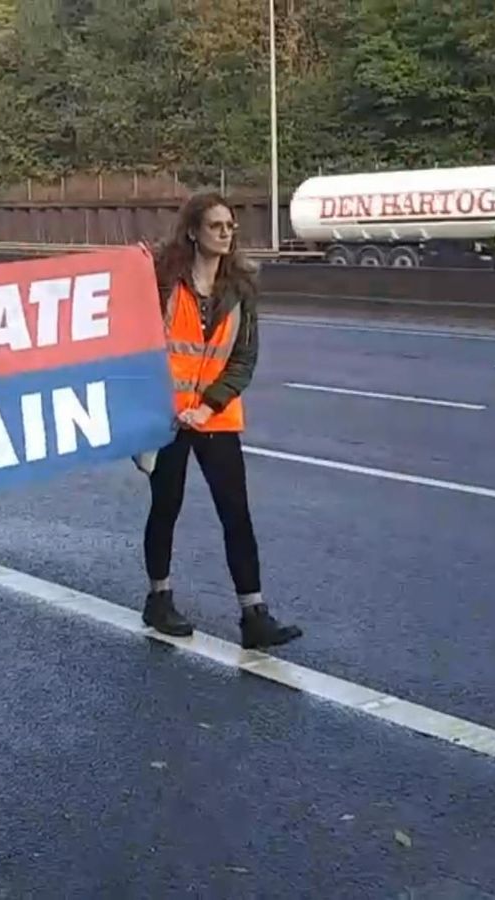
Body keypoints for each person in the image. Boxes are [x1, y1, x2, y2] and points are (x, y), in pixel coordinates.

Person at [140, 192, 303, 651]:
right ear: (193, 231)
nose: (226, 233)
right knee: (165, 507)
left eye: (230, 226)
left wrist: (209, 405)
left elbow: (244, 359)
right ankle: (159, 598)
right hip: (167, 416)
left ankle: (254, 615)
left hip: (216, 416)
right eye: (216, 226)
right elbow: (141, 342)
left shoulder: (241, 289)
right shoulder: (164, 283)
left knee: (236, 515)